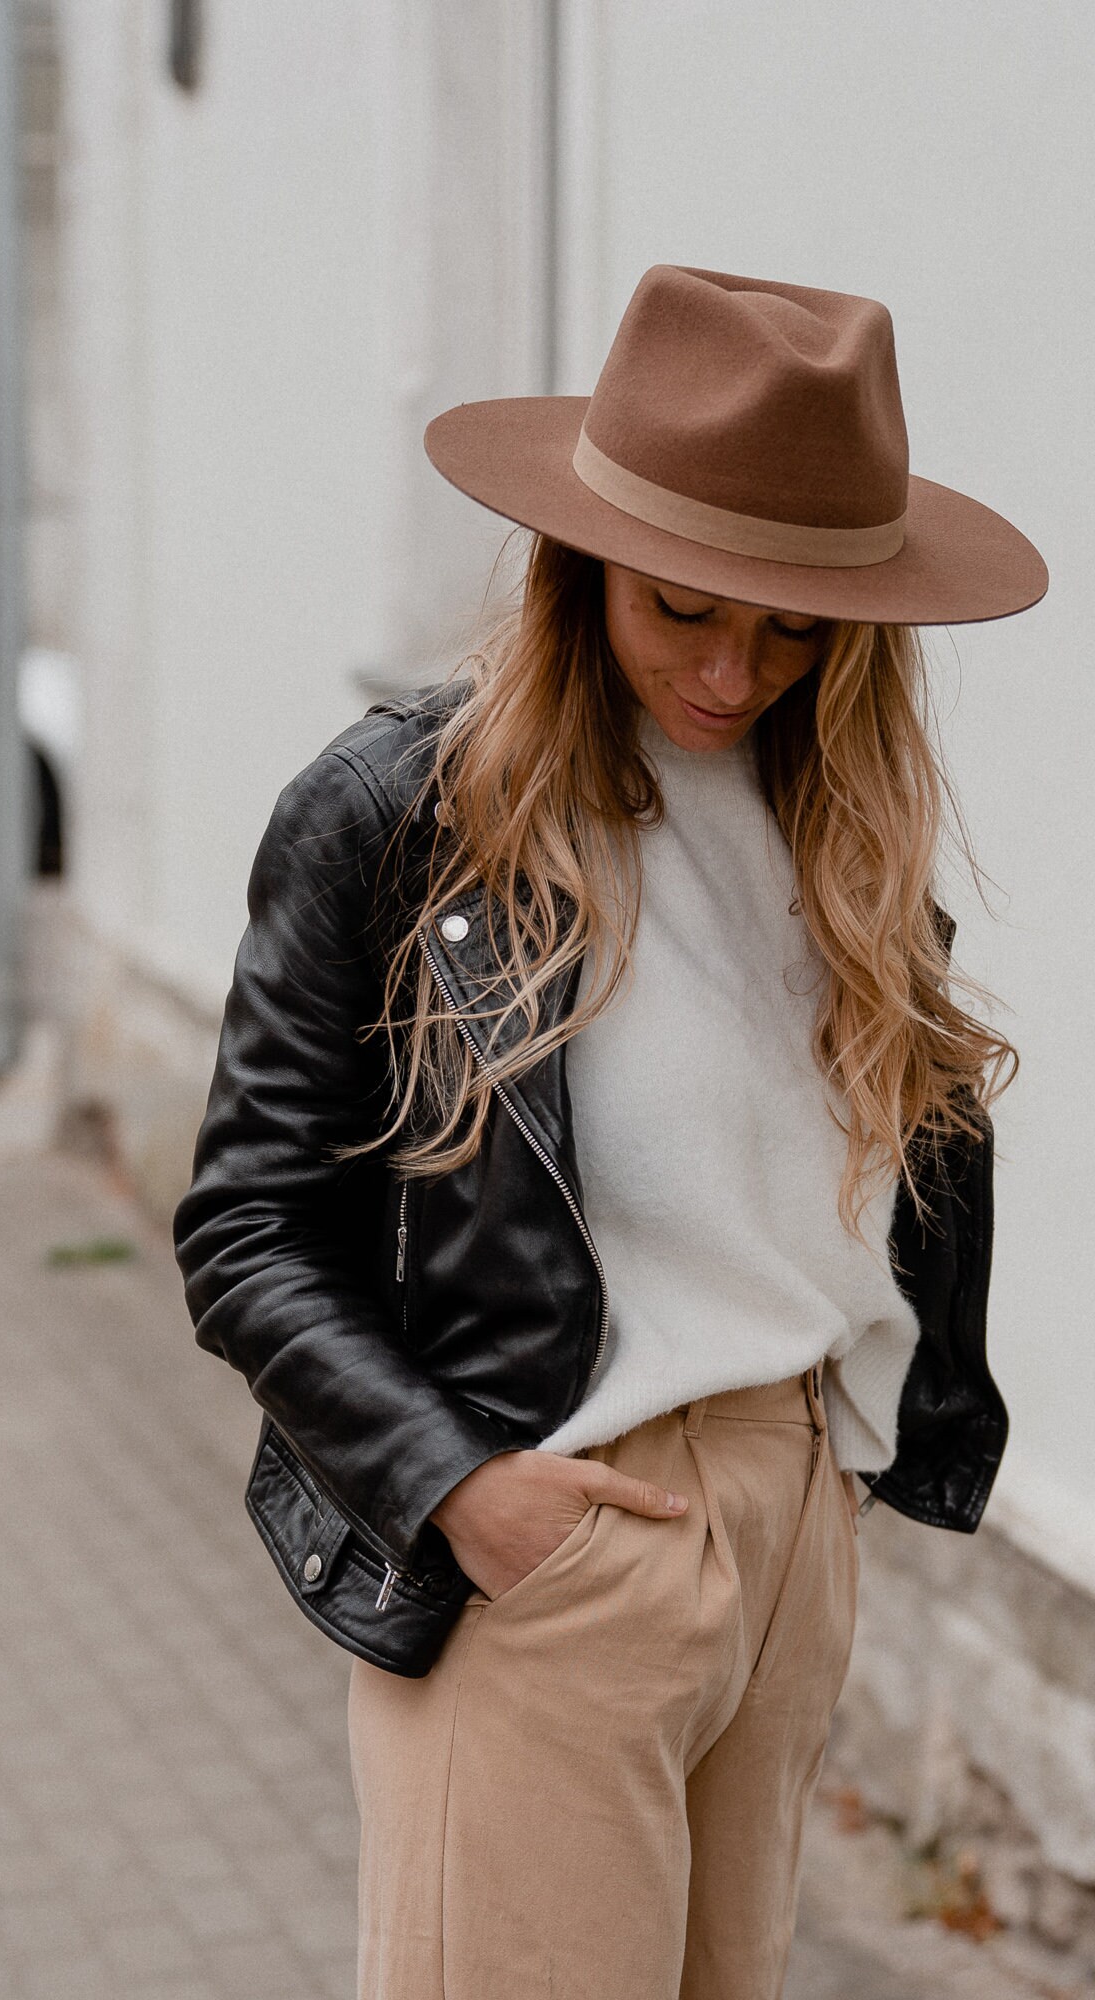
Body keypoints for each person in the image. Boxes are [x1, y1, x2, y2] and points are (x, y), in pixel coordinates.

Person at [172, 262, 1047, 2000]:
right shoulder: (402, 817)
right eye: (683, 610)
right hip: (555, 1537)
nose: (736, 672)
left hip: (788, 1533)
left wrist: (837, 1474)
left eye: (795, 626)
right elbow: (248, 1229)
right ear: (584, 568)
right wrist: (461, 1489)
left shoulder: (846, 839)